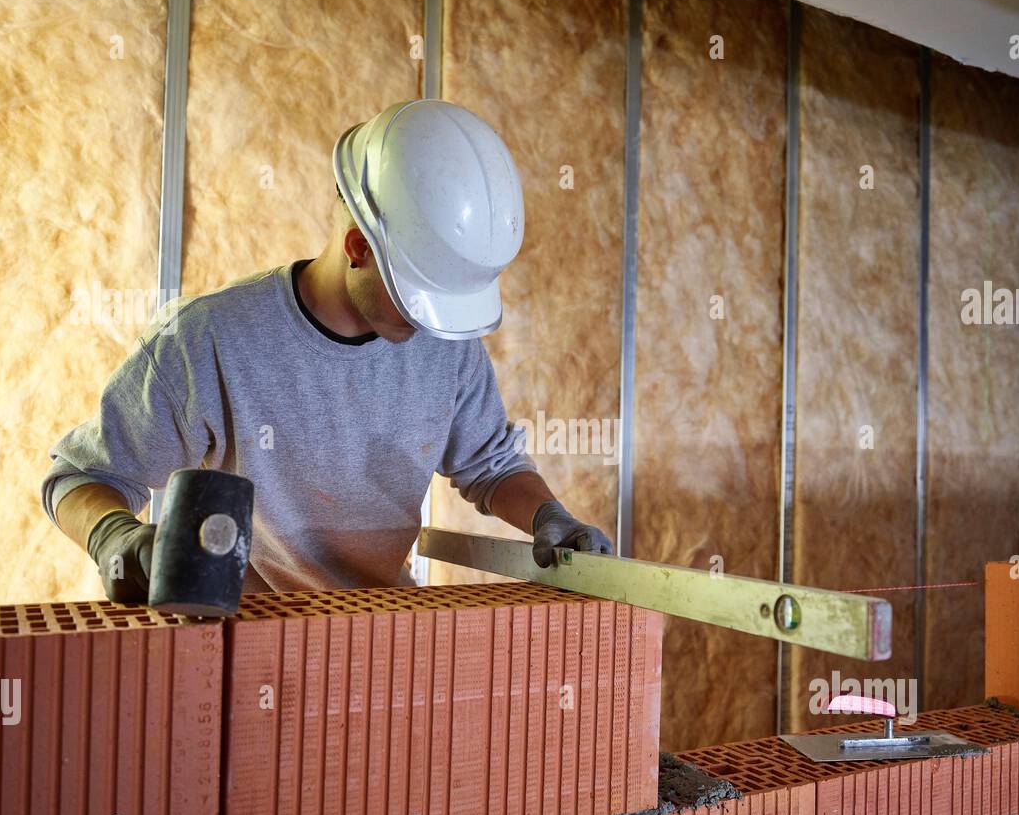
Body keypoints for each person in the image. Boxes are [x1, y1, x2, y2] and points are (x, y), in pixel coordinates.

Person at [42, 100, 612, 603]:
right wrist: (113, 536)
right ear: (357, 246)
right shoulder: (210, 340)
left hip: (377, 628)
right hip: (241, 637)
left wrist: (546, 515)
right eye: (416, 298)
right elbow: (80, 476)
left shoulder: (446, 347)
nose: (426, 323)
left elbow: (491, 466)